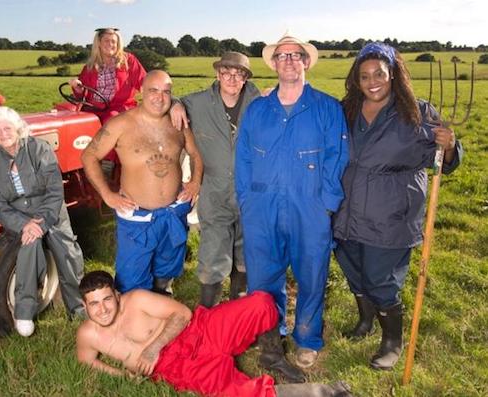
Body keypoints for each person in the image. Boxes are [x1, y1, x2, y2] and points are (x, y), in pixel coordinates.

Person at [332, 42, 462, 370]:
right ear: (356, 80)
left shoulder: (416, 113)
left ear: (393, 75)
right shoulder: (346, 111)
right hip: (347, 209)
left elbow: (445, 162)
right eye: (364, 76)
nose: (372, 81)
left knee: (380, 278)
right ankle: (365, 320)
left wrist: (449, 147)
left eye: (379, 73)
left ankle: (392, 340)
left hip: (390, 212)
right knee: (353, 270)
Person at [235, 34, 349, 368]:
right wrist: (247, 199)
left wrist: (326, 203)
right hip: (262, 206)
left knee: (312, 273)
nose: (288, 60)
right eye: (281, 55)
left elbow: (337, 156)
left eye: (295, 54)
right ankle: (271, 334)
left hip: (309, 207)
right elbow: (242, 157)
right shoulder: (258, 109)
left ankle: (307, 338)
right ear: (273, 63)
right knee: (263, 276)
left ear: (306, 61)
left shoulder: (327, 107)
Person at [76, 270, 354, 397]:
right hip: (176, 365)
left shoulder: (135, 300)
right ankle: (322, 393)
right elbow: (87, 361)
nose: (102, 309)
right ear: (85, 306)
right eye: (94, 304)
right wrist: (122, 375)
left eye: (106, 299)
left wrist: (154, 346)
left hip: (196, 330)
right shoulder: (89, 335)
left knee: (260, 304)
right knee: (231, 392)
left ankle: (269, 353)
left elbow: (183, 315)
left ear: (117, 294)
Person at [81, 70, 203, 295]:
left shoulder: (178, 123)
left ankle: (163, 302)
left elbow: (195, 154)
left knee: (166, 271)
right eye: (153, 91)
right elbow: (89, 156)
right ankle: (133, 320)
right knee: (131, 279)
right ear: (141, 92)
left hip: (172, 214)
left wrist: (195, 182)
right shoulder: (121, 124)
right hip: (136, 218)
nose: (160, 97)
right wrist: (107, 195)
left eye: (166, 92)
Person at [0, 106, 86, 337]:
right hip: (18, 214)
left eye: (7, 127)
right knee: (29, 248)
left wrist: (42, 221)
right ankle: (24, 312)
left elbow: (55, 190)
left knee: (67, 252)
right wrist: (23, 224)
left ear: (18, 128)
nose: (3, 133)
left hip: (50, 208)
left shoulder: (39, 149)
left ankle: (78, 309)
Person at [169, 52, 260, 308]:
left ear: (245, 78)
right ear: (217, 74)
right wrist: (175, 102)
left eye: (238, 74)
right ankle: (207, 313)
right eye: (226, 73)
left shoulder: (259, 101)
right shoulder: (198, 102)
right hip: (215, 190)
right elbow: (168, 101)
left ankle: (236, 310)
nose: (231, 78)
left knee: (246, 252)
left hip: (250, 191)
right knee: (213, 251)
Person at [68, 27, 147, 124]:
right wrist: (78, 88)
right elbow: (82, 94)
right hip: (94, 108)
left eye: (113, 41)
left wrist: (150, 94)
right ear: (99, 44)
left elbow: (144, 81)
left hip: (120, 109)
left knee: (111, 120)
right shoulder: (90, 67)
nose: (110, 44)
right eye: (106, 41)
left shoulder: (128, 61)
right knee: (78, 122)